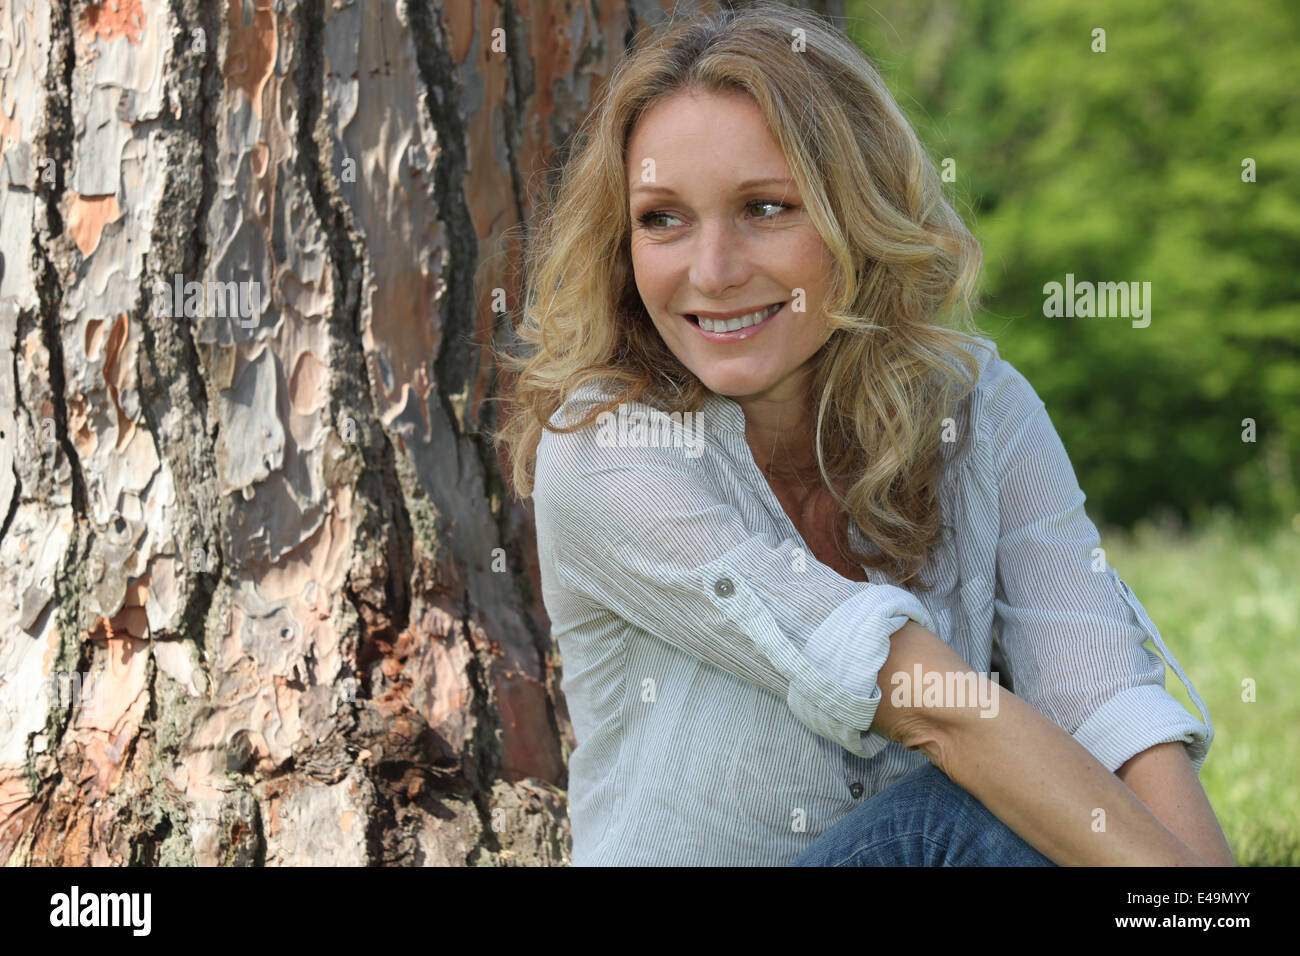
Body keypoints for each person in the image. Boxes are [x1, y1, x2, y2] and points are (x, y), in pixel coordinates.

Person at [494, 2, 1234, 867]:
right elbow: (932, 706)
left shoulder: (977, 407)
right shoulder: (604, 447)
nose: (713, 271)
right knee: (962, 812)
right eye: (663, 218)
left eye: (765, 207)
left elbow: (1110, 703)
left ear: (858, 214)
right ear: (624, 245)